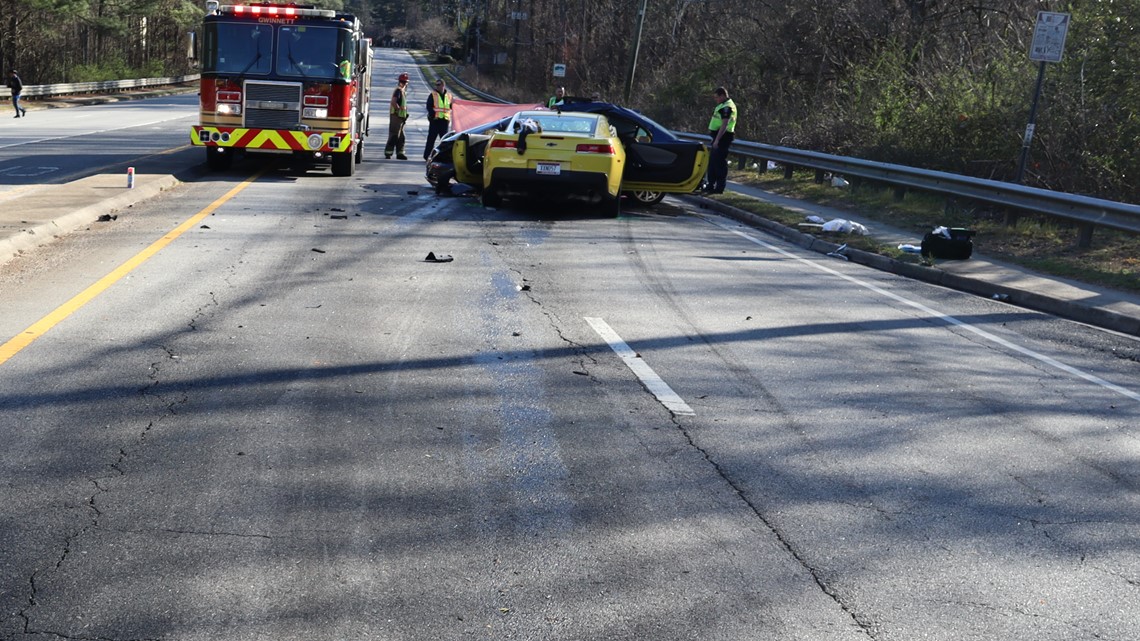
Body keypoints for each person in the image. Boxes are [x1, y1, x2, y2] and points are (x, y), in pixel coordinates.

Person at [704, 86, 737, 194]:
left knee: (719, 163)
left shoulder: (727, 107)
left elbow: (725, 124)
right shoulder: (722, 105)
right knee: (713, 162)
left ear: (722, 95)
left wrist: (717, 140)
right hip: (718, 136)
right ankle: (710, 185)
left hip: (723, 137)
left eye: (717, 97)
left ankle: (719, 187)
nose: (716, 99)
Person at [422, 78, 452, 161]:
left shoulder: (449, 96)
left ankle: (445, 157)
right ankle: (427, 156)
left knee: (444, 140)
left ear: (443, 85)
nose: (436, 86)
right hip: (435, 120)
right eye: (436, 85)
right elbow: (429, 106)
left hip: (444, 121)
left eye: (438, 84)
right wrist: (432, 115)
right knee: (431, 139)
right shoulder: (433, 95)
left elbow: (451, 106)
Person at [385, 72, 410, 159]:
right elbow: (394, 102)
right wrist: (398, 110)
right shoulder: (398, 91)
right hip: (396, 117)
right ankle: (388, 152)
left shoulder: (401, 91)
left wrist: (404, 114)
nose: (405, 84)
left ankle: (400, 153)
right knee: (394, 135)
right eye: (404, 82)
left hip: (400, 117)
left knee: (401, 137)